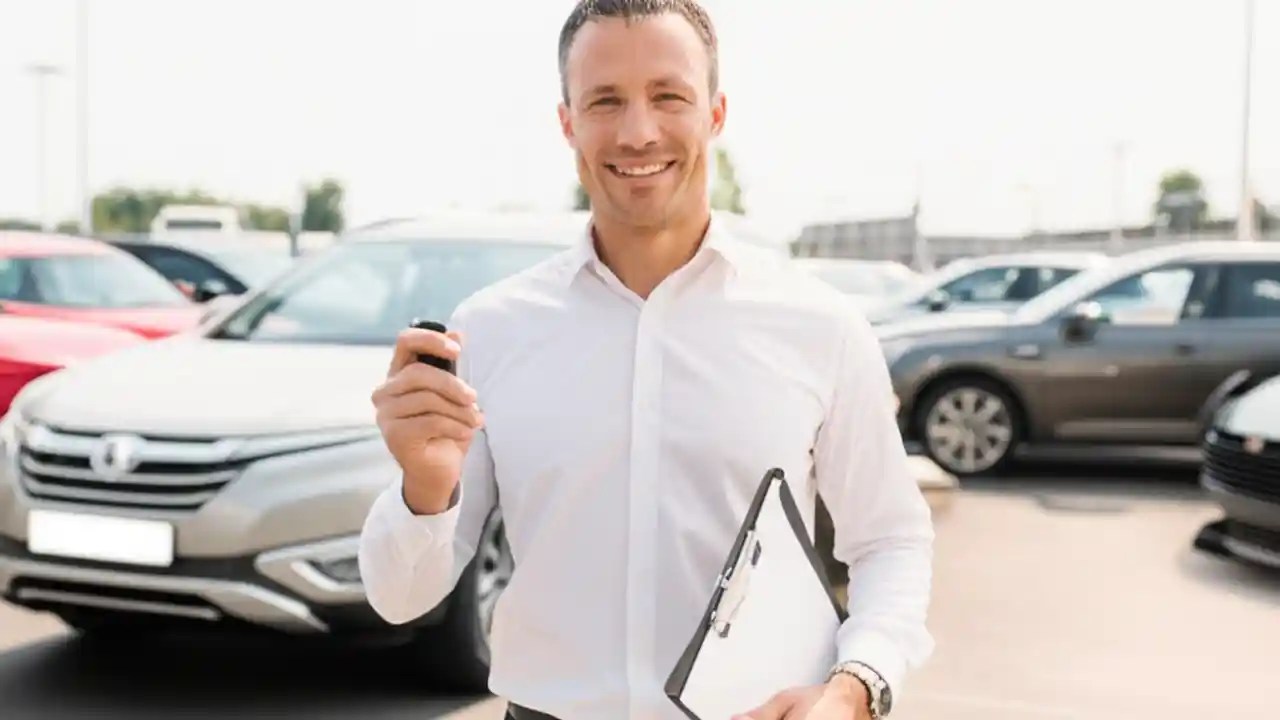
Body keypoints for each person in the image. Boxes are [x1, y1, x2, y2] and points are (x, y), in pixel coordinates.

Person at [358, 1, 934, 718]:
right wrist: (423, 488)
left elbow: (891, 540)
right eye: (605, 100)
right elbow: (400, 596)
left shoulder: (820, 326)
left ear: (716, 113)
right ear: (567, 121)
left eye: (669, 96)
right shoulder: (492, 330)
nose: (638, 132)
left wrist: (857, 687)